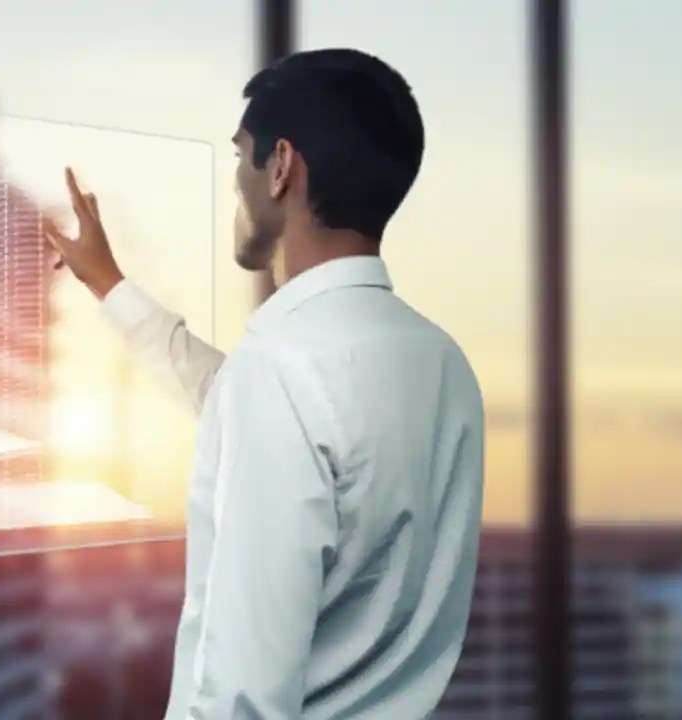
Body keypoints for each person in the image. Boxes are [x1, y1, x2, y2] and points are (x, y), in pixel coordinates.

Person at [43, 48, 485, 720]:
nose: (235, 188)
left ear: (280, 167)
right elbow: (241, 401)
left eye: (238, 158)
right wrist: (110, 284)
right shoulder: (441, 363)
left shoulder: (281, 373)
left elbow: (243, 696)